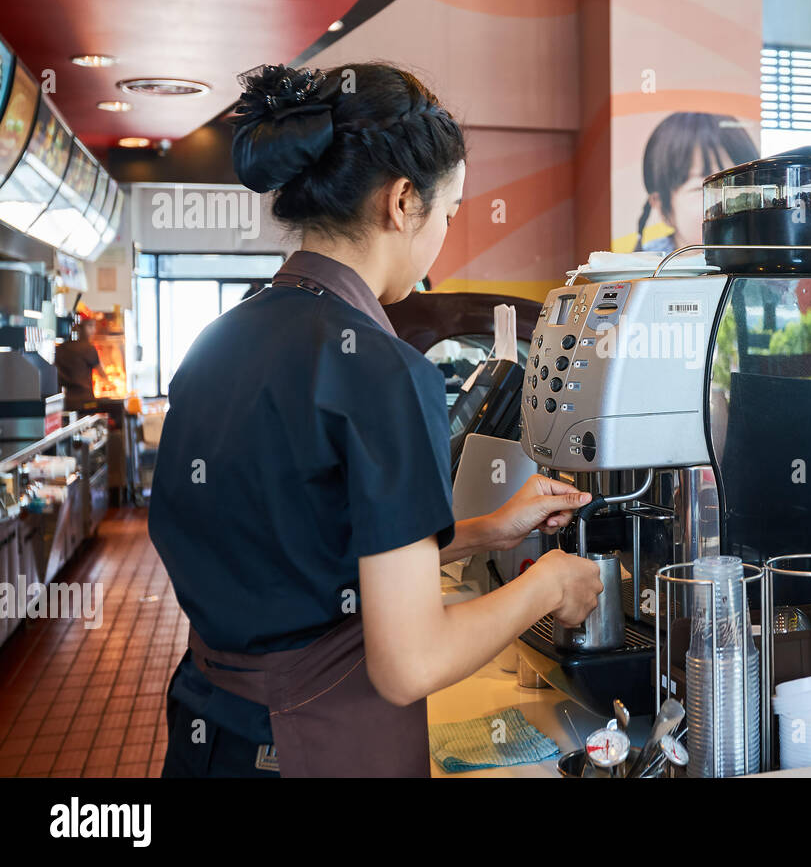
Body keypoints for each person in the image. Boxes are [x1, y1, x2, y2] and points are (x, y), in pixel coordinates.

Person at [149, 62, 604, 777]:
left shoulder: (217, 342)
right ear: (401, 202)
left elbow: (300, 556)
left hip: (208, 733)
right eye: (449, 212)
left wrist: (485, 531)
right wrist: (550, 585)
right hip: (312, 746)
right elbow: (409, 662)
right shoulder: (385, 372)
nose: (443, 239)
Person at [612, 111, 758, 254]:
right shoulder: (646, 272)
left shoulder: (773, 265)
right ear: (662, 207)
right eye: (703, 188)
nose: (728, 201)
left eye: (739, 183)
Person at [54, 316, 107, 410]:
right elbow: (102, 374)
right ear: (80, 328)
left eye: (94, 326)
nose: (93, 330)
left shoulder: (59, 349)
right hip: (86, 402)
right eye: (90, 326)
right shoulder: (88, 348)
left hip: (67, 402)